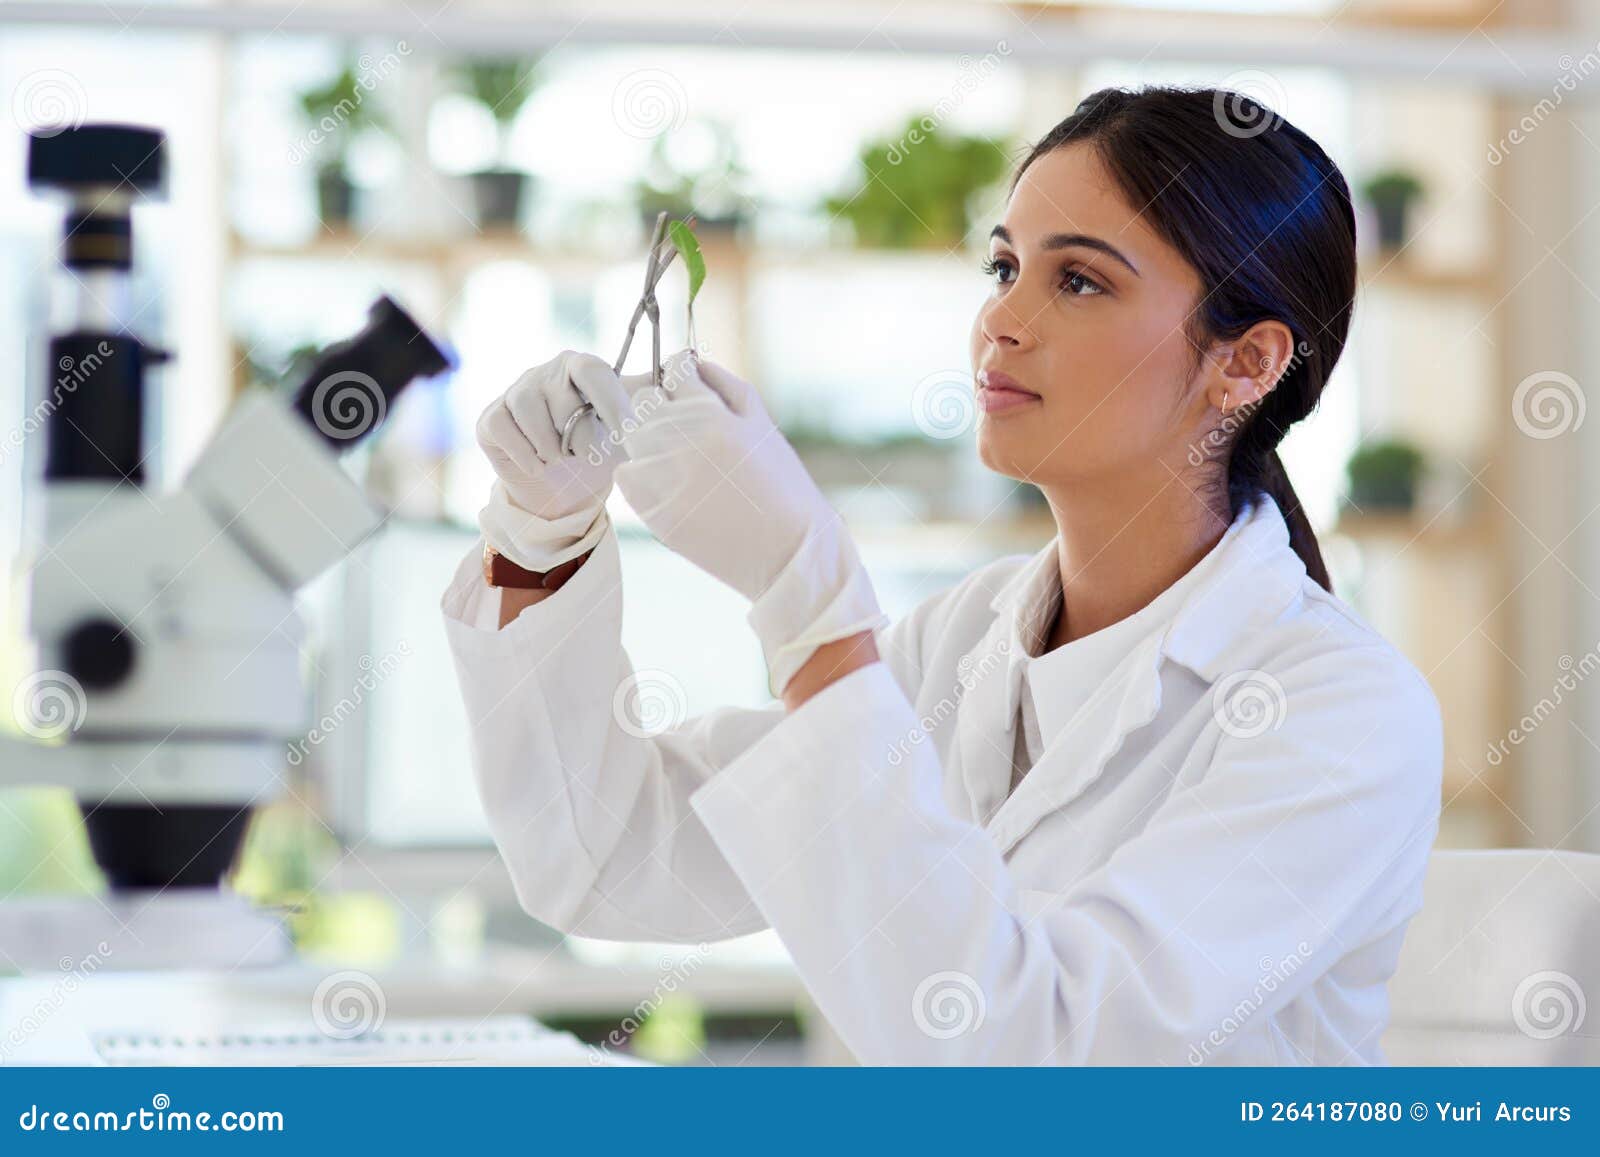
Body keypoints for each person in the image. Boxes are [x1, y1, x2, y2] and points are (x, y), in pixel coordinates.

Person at [440, 85, 1443, 1065]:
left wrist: (806, 597)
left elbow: (1028, 1048)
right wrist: (542, 538)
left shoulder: (1340, 711)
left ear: (1245, 361)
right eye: (1002, 266)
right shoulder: (965, 639)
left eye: (1079, 280)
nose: (1001, 321)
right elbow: (607, 858)